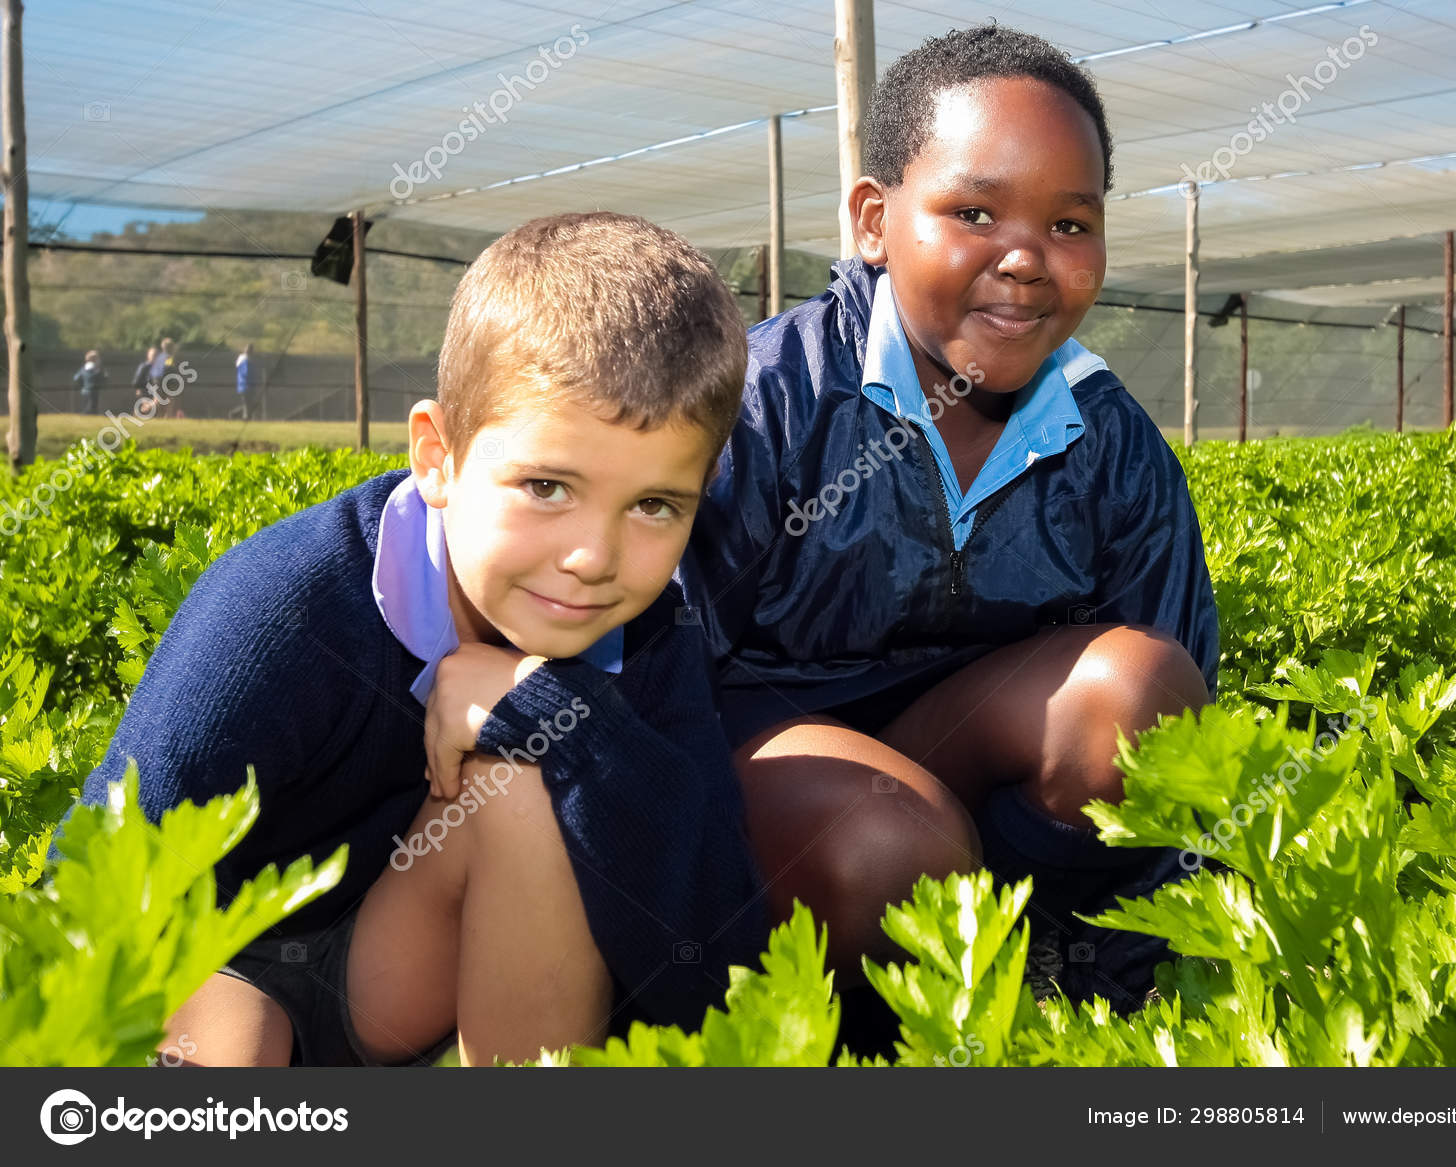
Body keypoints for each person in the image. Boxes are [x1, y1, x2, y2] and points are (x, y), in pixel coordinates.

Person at [74, 213, 767, 1066]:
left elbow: (721, 960)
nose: (594, 558)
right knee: (228, 1039)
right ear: (437, 457)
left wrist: (558, 717)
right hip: (216, 969)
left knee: (527, 783)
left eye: (655, 505)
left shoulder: (651, 635)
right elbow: (87, 889)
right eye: (547, 485)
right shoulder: (283, 609)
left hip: (383, 978)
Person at [685, 26, 1219, 1011]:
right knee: (887, 837)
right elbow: (648, 681)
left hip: (955, 754)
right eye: (973, 211)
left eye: (1069, 225)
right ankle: (867, 1037)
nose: (1025, 260)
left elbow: (1184, 732)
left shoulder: (1111, 443)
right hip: (765, 770)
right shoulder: (759, 405)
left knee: (1137, 689)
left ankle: (1056, 968)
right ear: (874, 220)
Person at [73, 350, 106, 415]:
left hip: (84, 391)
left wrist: (82, 385)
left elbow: (76, 378)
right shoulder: (97, 369)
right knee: (91, 410)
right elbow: (103, 378)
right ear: (95, 359)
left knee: (86, 407)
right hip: (93, 392)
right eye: (98, 359)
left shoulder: (83, 368)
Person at [234, 342, 260, 419]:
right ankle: (246, 418)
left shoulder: (243, 360)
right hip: (246, 385)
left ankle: (235, 414)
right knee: (248, 403)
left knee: (248, 403)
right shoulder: (246, 361)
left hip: (243, 385)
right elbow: (247, 373)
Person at [131, 345, 156, 410]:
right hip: (144, 391)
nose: (154, 357)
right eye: (153, 355)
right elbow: (136, 382)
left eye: (156, 355)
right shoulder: (144, 367)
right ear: (148, 356)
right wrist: (139, 390)